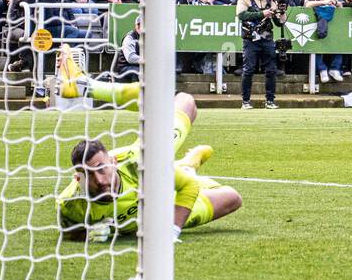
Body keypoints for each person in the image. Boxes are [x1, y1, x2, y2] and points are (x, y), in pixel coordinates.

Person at [56, 90, 242, 243]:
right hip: (159, 214)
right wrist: (87, 234)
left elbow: (189, 186)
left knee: (186, 101)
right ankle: (185, 167)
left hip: (151, 157)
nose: (100, 180)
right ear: (78, 179)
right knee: (232, 198)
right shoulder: (69, 204)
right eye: (89, 175)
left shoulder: (139, 162)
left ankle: (185, 167)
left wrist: (172, 231)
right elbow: (68, 233)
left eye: (102, 169)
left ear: (113, 162)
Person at [236, 0, 285, 109]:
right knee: (248, 70)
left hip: (267, 37)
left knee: (271, 70)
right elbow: (241, 15)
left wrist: (281, 12)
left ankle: (270, 100)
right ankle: (245, 101)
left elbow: (279, 22)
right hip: (250, 38)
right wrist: (262, 13)